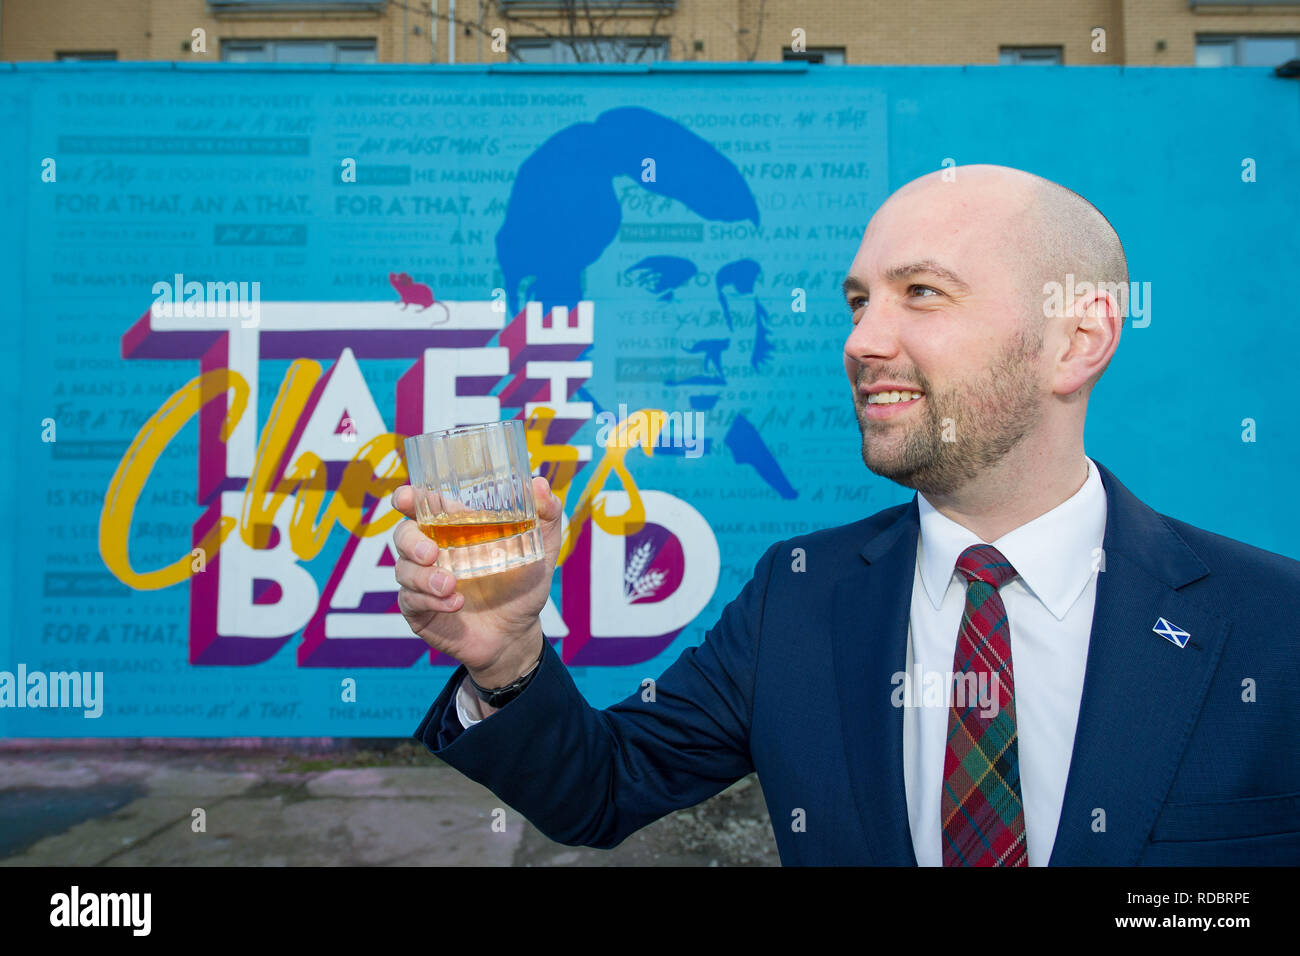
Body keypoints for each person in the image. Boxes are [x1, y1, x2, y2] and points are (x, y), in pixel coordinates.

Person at [392, 164, 1300, 865]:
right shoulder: (800, 596)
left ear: (1079, 339)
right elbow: (601, 789)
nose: (861, 340)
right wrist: (507, 660)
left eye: (923, 293)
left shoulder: (1272, 626)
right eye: (859, 300)